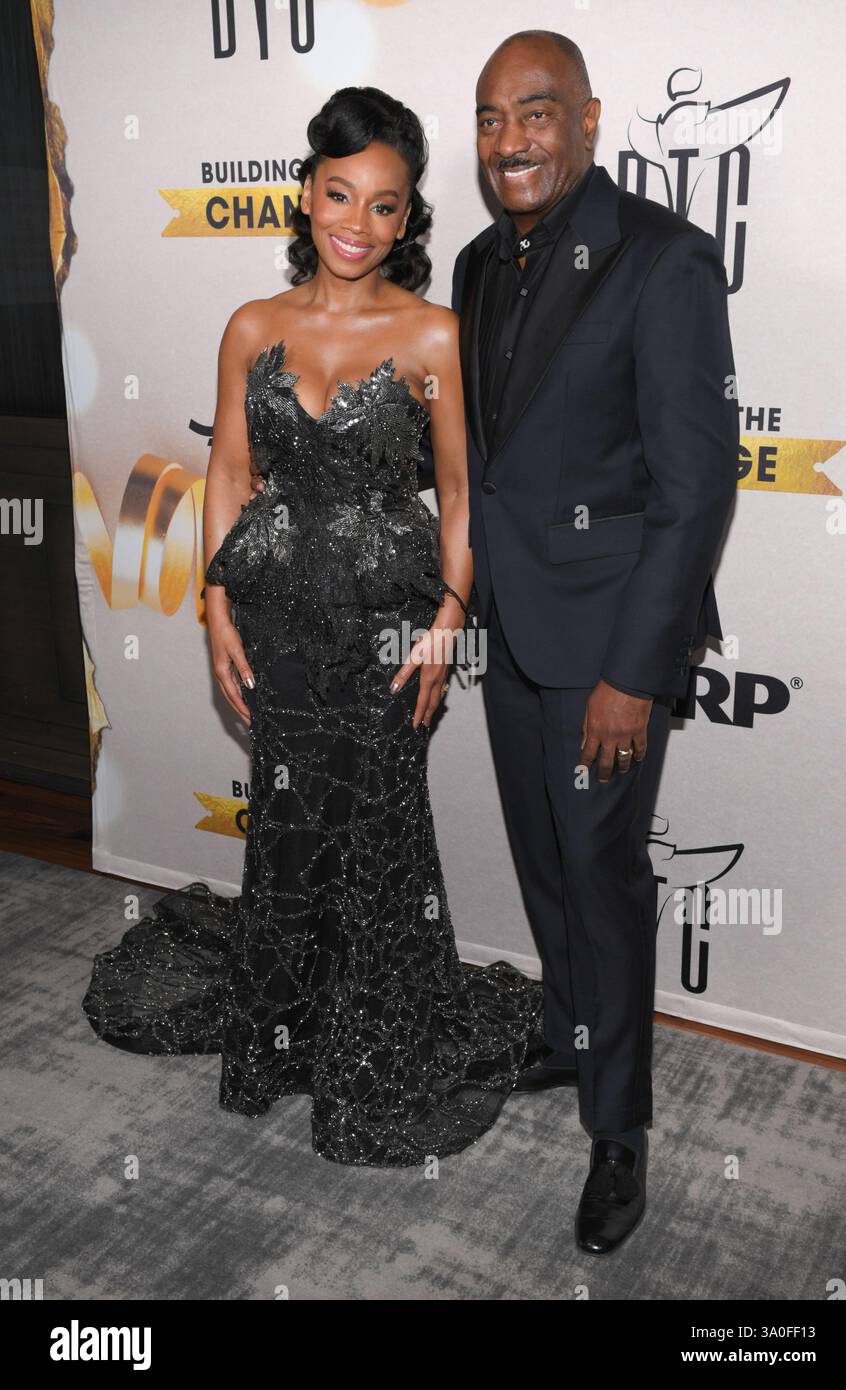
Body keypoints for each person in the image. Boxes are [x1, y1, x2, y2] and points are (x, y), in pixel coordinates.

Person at [81, 86, 545, 1168]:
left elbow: (462, 496)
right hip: (276, 621)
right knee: (288, 832)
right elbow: (231, 474)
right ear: (306, 193)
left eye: (383, 205)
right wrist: (209, 601)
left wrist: (447, 618)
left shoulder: (433, 334)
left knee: (379, 834)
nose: (356, 221)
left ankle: (370, 1033)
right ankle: (284, 1027)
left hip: (390, 629)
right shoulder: (254, 325)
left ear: (404, 220)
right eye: (340, 193)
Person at [451, 31, 739, 1251]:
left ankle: (616, 1128)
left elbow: (695, 482)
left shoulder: (663, 261)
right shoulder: (471, 264)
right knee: (544, 865)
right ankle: (573, 1041)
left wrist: (632, 672)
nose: (508, 140)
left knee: (606, 885)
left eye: (534, 114)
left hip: (608, 647)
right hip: (515, 630)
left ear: (586, 118)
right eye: (487, 119)